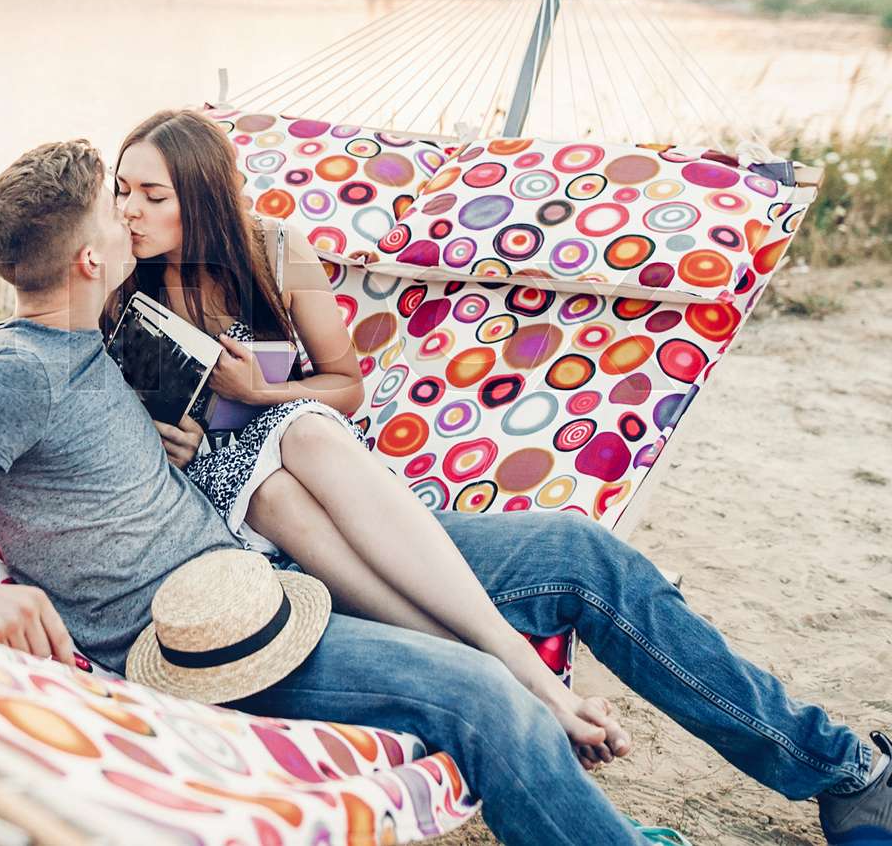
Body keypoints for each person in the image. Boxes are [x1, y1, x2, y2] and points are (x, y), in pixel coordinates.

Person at [0, 138, 891, 845]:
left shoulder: (108, 325)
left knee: (575, 550)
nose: (128, 222)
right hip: (212, 632)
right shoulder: (18, 370)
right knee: (483, 699)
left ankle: (838, 769)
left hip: (278, 558)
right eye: (111, 218)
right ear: (87, 258)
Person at [107, 107, 628, 766]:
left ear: (204, 197)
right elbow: (91, 407)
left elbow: (345, 385)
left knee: (310, 442)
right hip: (219, 491)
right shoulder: (117, 282)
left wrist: (260, 392)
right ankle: (522, 685)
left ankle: (523, 674)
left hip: (295, 435)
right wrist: (156, 444)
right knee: (273, 494)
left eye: (153, 196)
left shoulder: (276, 253)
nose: (129, 210)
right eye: (123, 190)